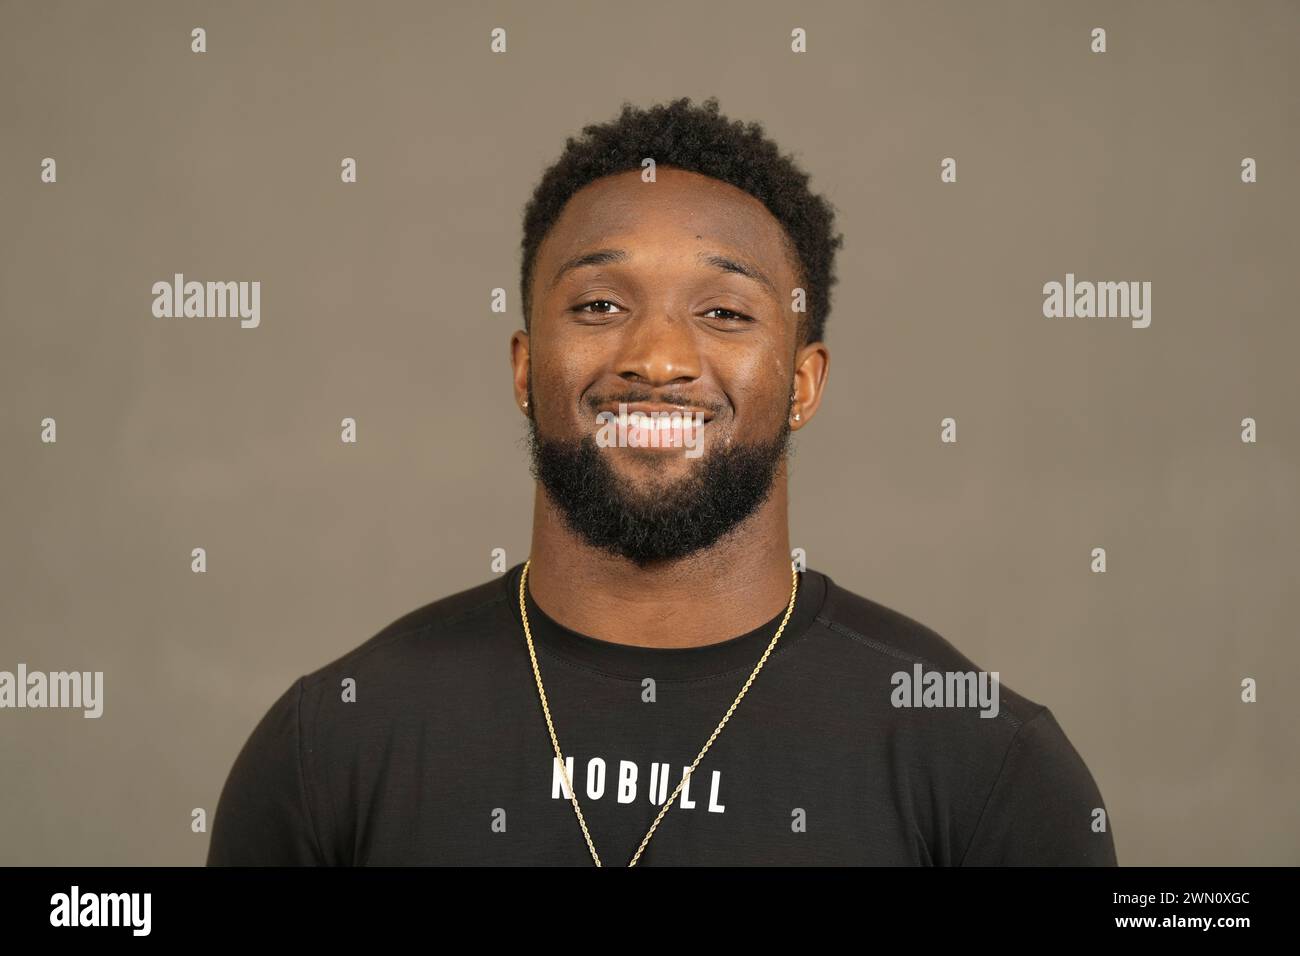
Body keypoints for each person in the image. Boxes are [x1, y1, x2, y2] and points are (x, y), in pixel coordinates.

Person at [207, 97, 1116, 866]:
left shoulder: (982, 762)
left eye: (724, 312)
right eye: (600, 305)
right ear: (526, 368)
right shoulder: (335, 744)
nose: (657, 358)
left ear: (802, 383)